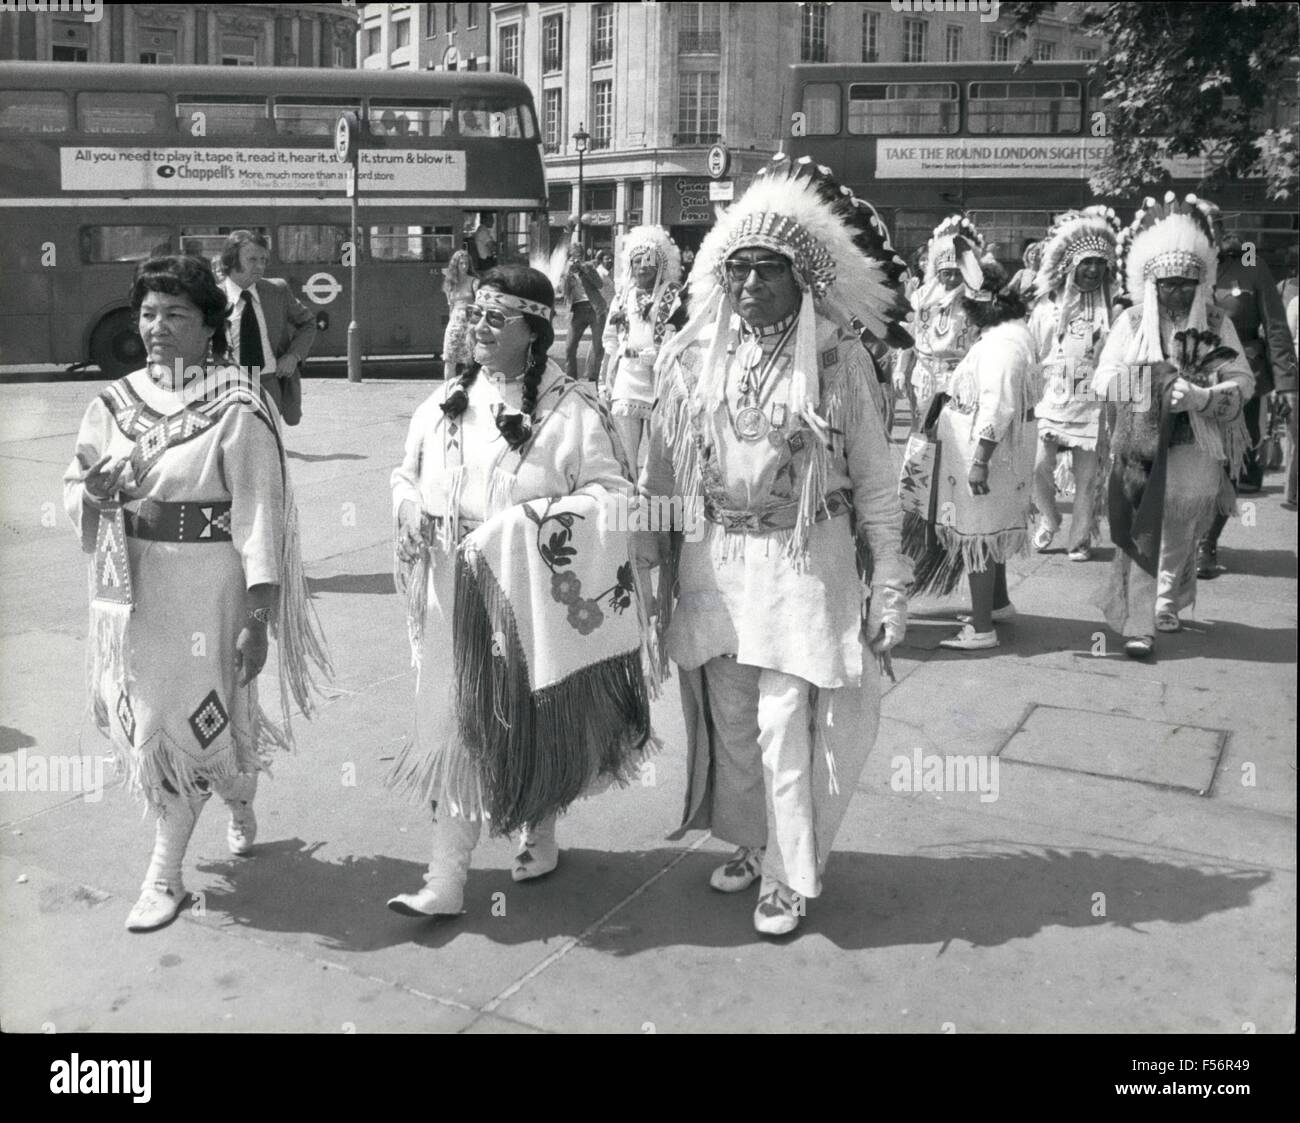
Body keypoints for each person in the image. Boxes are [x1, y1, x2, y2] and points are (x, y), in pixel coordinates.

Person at [637, 164, 912, 937]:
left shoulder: (837, 358)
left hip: (804, 561)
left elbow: (879, 487)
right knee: (730, 716)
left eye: (769, 269)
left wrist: (887, 585)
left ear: (803, 278)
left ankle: (793, 874)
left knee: (784, 718)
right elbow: (661, 473)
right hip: (718, 561)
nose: (751, 283)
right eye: (740, 269)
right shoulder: (693, 360)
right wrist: (648, 566)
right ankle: (755, 845)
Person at [62, 255, 331, 932]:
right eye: (148, 312)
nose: (156, 326)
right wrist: (90, 494)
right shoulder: (112, 402)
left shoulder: (238, 404)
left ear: (210, 326)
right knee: (157, 719)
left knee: (191, 719)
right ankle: (239, 796)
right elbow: (77, 483)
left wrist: (259, 614)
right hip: (132, 588)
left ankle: (165, 873)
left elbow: (260, 515)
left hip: (207, 588)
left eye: (176, 314)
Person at [386, 265, 654, 918]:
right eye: (474, 312)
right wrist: (409, 507)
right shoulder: (448, 402)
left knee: (532, 721)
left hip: (530, 595)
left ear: (532, 332)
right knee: (459, 721)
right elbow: (404, 472)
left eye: (493, 317)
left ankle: (541, 823)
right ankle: (446, 878)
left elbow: (615, 497)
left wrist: (526, 527)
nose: (475, 325)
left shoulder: (574, 410)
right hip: (454, 592)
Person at [1092, 193, 1255, 658]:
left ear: (1201, 280)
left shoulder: (1219, 323)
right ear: (1152, 284)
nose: (1178, 293)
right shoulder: (1130, 321)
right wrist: (1154, 385)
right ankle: (1139, 623)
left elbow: (1243, 379)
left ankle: (1168, 599)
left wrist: (1205, 396)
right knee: (1143, 526)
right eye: (1169, 284)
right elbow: (1102, 379)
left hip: (1196, 444)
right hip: (1140, 444)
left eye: (1187, 283)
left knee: (1182, 527)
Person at [904, 258, 1039, 651]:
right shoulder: (1014, 336)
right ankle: (997, 604)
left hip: (988, 460)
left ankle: (982, 629)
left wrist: (979, 460)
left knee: (977, 532)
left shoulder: (1001, 345)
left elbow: (998, 406)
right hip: (1002, 457)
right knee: (990, 530)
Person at [1196, 205, 1297, 574]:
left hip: (1242, 384)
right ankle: (1179, 537)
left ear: (1222, 229)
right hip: (1187, 383)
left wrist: (1286, 383)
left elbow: (1275, 325)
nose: (1207, 233)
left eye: (1212, 226)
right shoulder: (1177, 264)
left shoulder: (1249, 262)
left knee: (1230, 465)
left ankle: (1208, 542)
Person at [1030, 207, 1122, 562]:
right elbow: (1034, 355)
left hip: (1094, 398)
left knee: (1089, 476)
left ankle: (1080, 537)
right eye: (1087, 262)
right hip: (1052, 395)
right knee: (1038, 466)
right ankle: (1049, 517)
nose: (1094, 269)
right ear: (1070, 265)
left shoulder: (1114, 310)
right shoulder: (1046, 309)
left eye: (1100, 263)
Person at [598, 225, 683, 465]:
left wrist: (661, 354)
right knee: (623, 448)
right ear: (630, 266)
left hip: (659, 377)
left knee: (660, 446)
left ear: (660, 265)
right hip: (627, 376)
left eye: (649, 261)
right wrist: (604, 380)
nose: (643, 266)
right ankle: (628, 497)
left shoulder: (673, 294)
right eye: (637, 261)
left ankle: (656, 498)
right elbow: (610, 340)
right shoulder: (622, 296)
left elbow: (684, 335)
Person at [896, 216, 985, 433]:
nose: (953, 279)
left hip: (961, 376)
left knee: (955, 435)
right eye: (947, 273)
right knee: (921, 435)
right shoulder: (921, 298)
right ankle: (917, 467)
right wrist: (899, 369)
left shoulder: (976, 300)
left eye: (958, 273)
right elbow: (907, 337)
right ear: (937, 272)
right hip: (925, 375)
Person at [219, 230, 317, 428]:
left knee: (270, 444)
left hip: (270, 384)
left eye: (263, 259)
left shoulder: (277, 290)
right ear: (231, 260)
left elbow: (308, 323)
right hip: (229, 387)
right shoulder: (213, 298)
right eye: (252, 259)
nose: (260, 265)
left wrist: (293, 356)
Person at [561, 246, 607, 382]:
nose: (575, 260)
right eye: (572, 257)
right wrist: (567, 274)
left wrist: (584, 271)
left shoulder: (588, 267)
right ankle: (570, 380)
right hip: (578, 310)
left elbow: (599, 285)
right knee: (569, 347)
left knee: (598, 347)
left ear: (582, 257)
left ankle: (597, 379)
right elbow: (562, 292)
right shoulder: (567, 272)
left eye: (578, 257)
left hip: (595, 309)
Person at [439, 249, 476, 376]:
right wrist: (451, 323)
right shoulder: (450, 283)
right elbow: (450, 306)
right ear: (456, 265)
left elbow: (479, 305)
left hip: (470, 325)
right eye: (461, 263)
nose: (464, 266)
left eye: (466, 263)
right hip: (454, 325)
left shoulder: (474, 282)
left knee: (471, 361)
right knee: (449, 360)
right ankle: (448, 392)